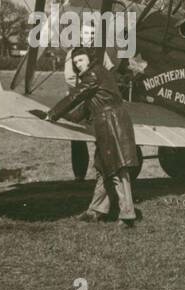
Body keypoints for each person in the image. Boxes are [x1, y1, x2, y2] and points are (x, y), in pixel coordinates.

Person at [42, 47, 142, 227]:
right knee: (103, 168)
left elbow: (75, 96)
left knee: (119, 169)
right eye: (75, 63)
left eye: (80, 60)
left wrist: (53, 113)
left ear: (89, 59)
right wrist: (58, 116)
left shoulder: (94, 74)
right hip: (108, 123)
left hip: (112, 122)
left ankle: (127, 215)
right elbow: (80, 111)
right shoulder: (94, 79)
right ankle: (96, 210)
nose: (78, 64)